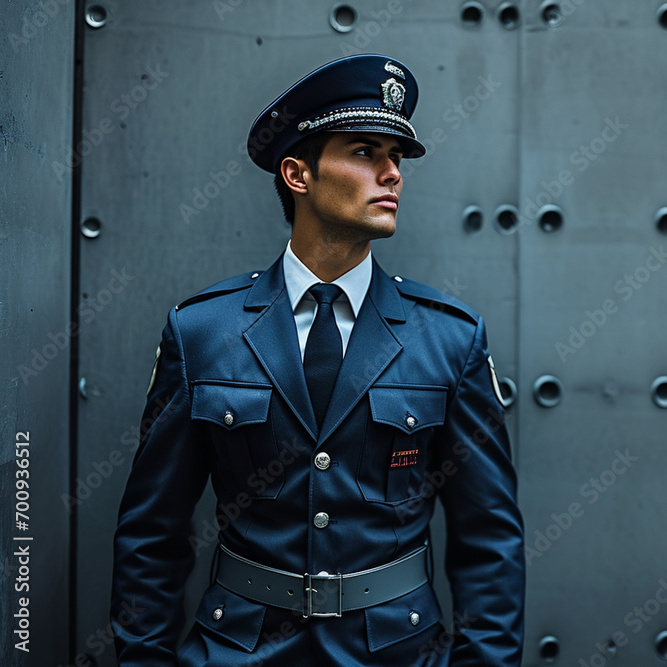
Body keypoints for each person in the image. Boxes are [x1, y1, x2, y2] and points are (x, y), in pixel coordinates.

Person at [110, 54, 525, 666]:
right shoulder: (203, 331)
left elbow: (488, 537)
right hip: (237, 651)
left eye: (398, 158)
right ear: (298, 173)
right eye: (365, 152)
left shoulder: (448, 338)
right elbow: (151, 532)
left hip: (398, 653)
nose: (392, 174)